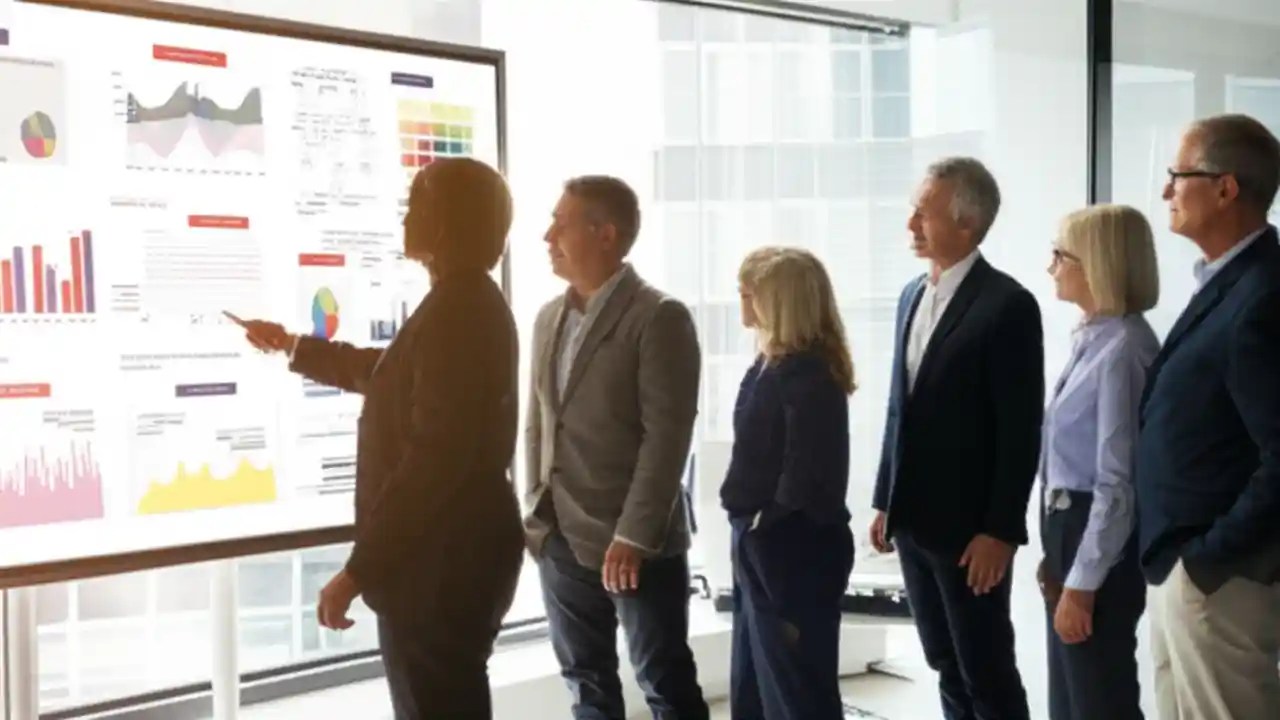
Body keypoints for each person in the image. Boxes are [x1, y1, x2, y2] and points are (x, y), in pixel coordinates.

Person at [236, 157, 524, 719]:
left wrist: (358, 571)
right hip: (451, 561)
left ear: (444, 224)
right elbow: (389, 374)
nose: (405, 215)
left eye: (417, 203)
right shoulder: (459, 302)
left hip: (442, 567)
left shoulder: (460, 310)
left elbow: (433, 460)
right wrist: (293, 346)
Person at [524, 175, 709, 719]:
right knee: (586, 684)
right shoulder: (546, 318)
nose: (547, 235)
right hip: (559, 536)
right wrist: (533, 508)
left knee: (664, 682)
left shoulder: (659, 316)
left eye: (561, 222)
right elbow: (537, 423)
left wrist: (634, 534)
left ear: (605, 234)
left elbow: (668, 437)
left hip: (634, 546)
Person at [870, 156, 1043, 720]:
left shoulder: (1008, 305)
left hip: (971, 533)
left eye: (924, 213)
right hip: (913, 521)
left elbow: (1020, 430)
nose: (911, 226)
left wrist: (1001, 530)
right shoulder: (910, 296)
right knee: (944, 664)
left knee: (986, 670)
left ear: (967, 224)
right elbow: (901, 409)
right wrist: (883, 498)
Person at [1137, 113, 1280, 720]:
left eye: (1178, 175)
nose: (1166, 190)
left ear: (1225, 189)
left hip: (1220, 579)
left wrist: (1209, 558)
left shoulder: (1264, 294)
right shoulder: (1227, 282)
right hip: (1185, 568)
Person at [722, 246, 856, 720]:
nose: (740, 301)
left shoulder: (807, 375)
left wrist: (761, 529)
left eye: (747, 292)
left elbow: (802, 476)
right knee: (758, 688)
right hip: (765, 542)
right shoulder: (774, 364)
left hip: (788, 549)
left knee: (795, 692)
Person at [1038, 205, 1159, 720]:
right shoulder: (1093, 338)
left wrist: (1083, 582)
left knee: (1097, 701)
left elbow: (1118, 481)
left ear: (1097, 263)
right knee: (1070, 700)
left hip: (1098, 534)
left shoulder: (1124, 347)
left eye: (1060, 255)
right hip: (1071, 529)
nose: (1051, 267)